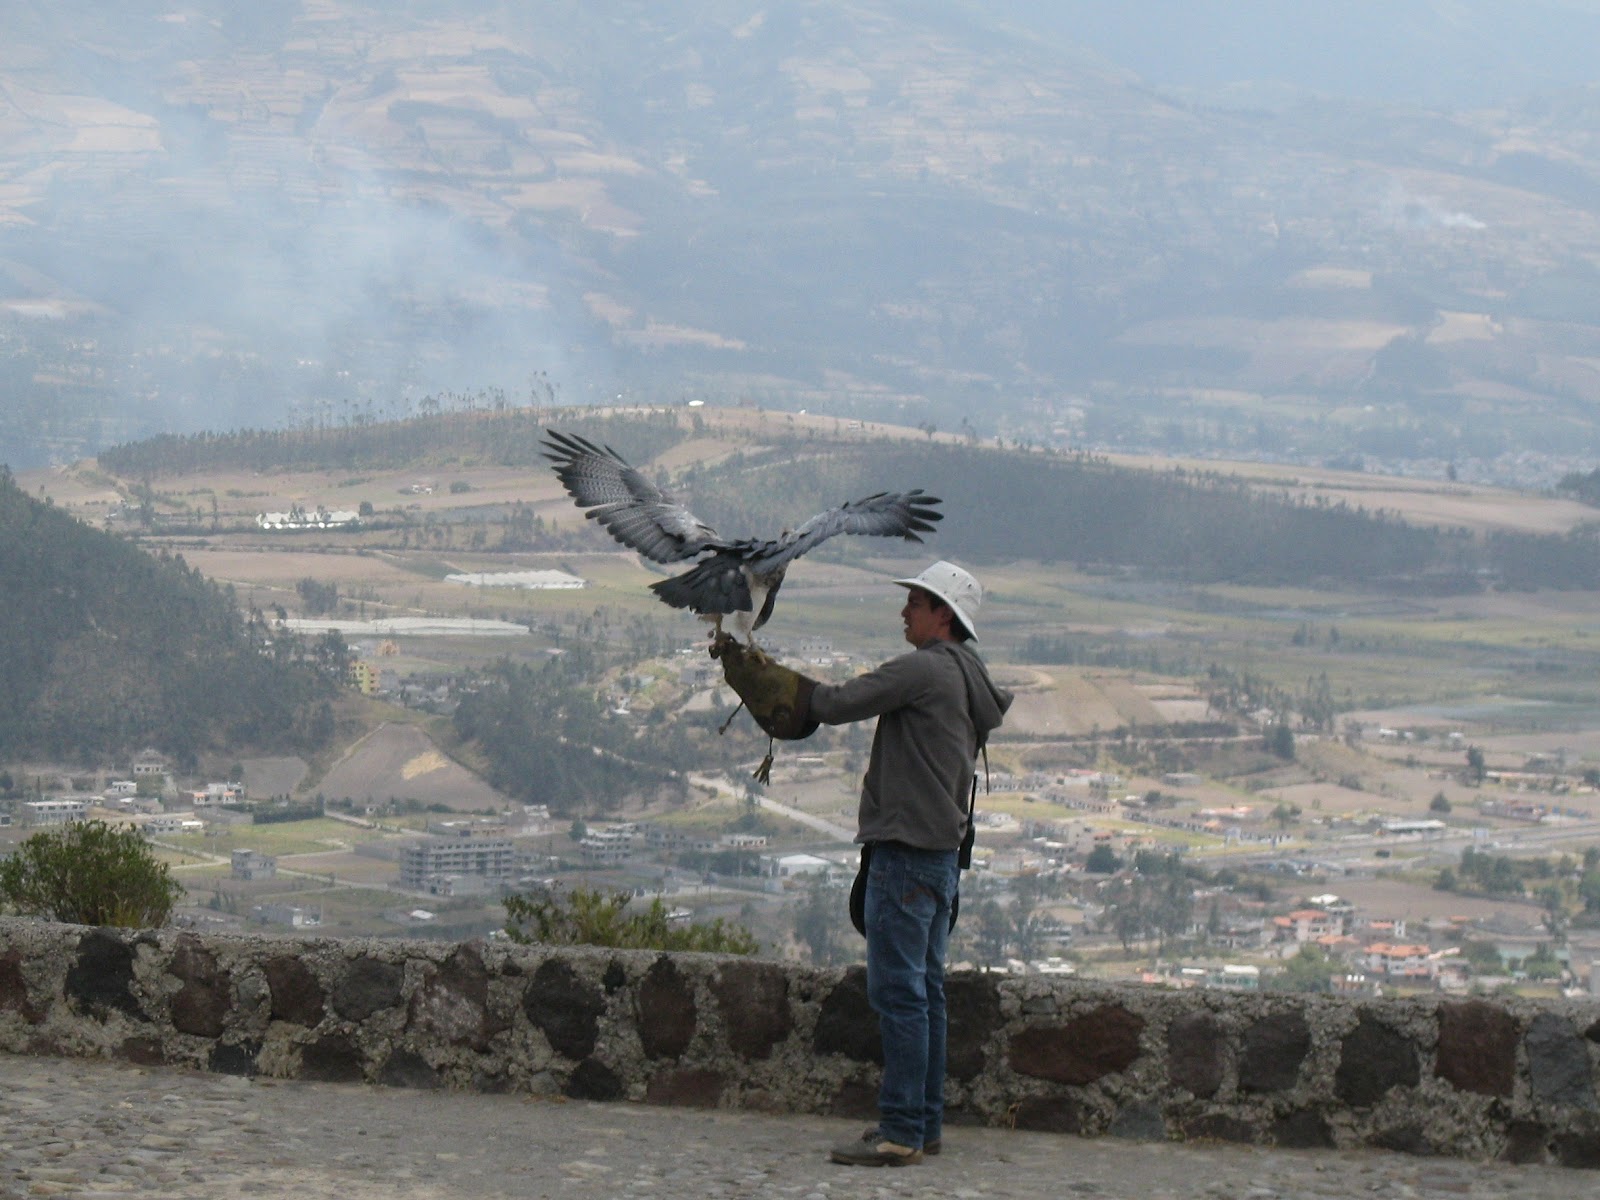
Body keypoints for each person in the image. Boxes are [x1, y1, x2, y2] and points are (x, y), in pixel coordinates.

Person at [713, 560, 1012, 1167]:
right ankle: (922, 1125)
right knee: (925, 994)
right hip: (940, 858)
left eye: (917, 603)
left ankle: (900, 1131)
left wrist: (760, 676)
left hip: (903, 855)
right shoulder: (968, 676)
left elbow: (839, 702)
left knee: (899, 996)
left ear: (944, 616)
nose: (905, 611)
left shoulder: (925, 669)